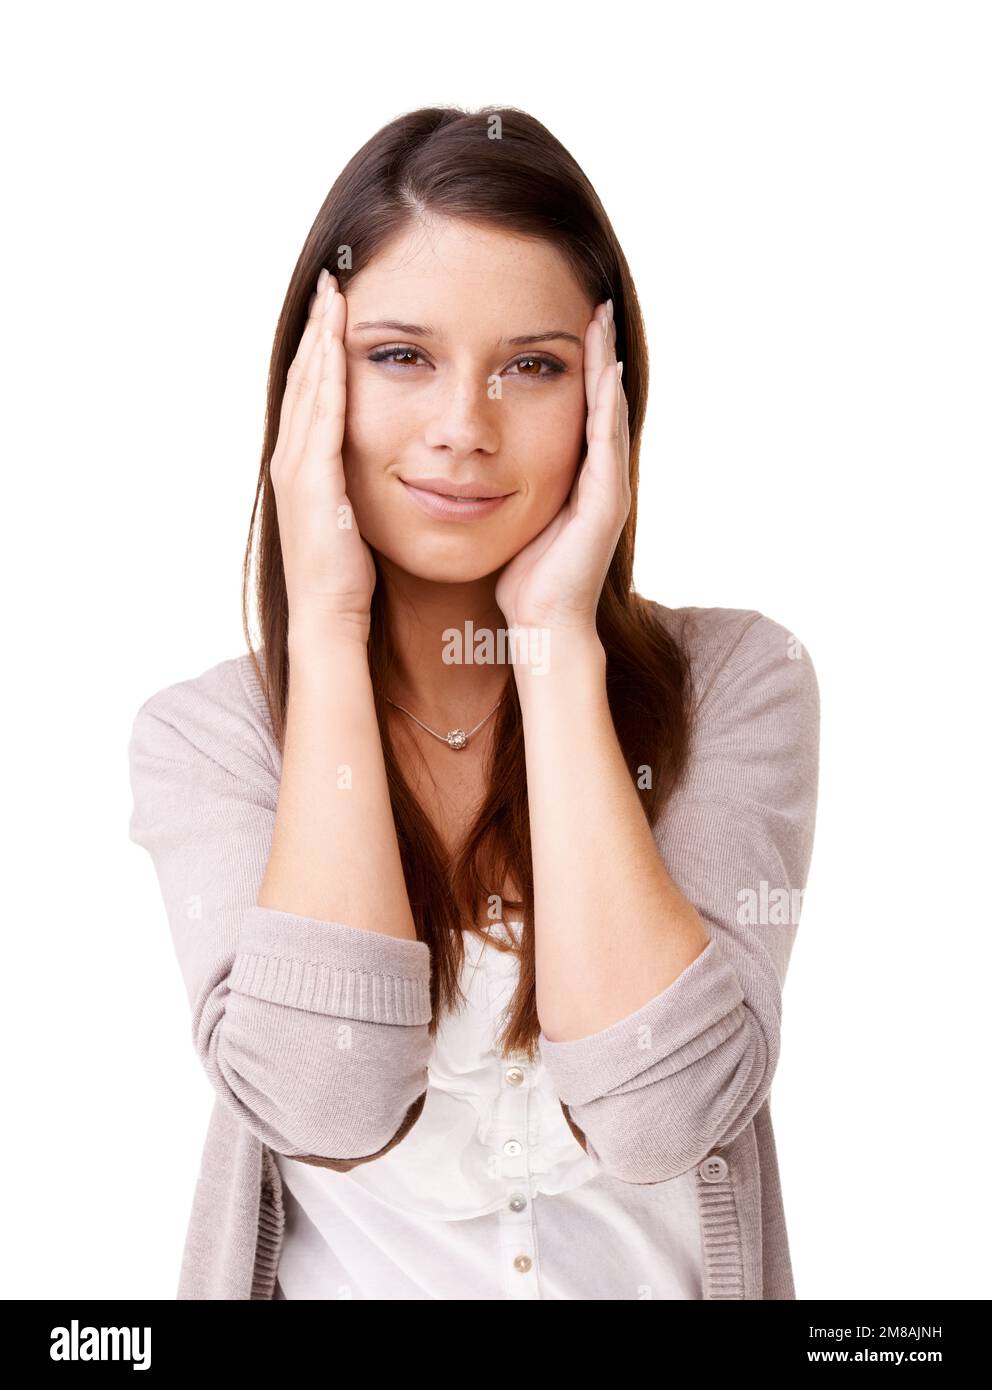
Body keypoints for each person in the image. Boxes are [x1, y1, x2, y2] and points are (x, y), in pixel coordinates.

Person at [127, 104, 820, 1300]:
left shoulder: (737, 683)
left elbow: (659, 1117)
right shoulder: (208, 740)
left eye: (531, 366)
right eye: (401, 356)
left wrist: (553, 642)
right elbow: (326, 1103)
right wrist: (327, 630)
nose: (462, 428)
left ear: (607, 400)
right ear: (308, 388)